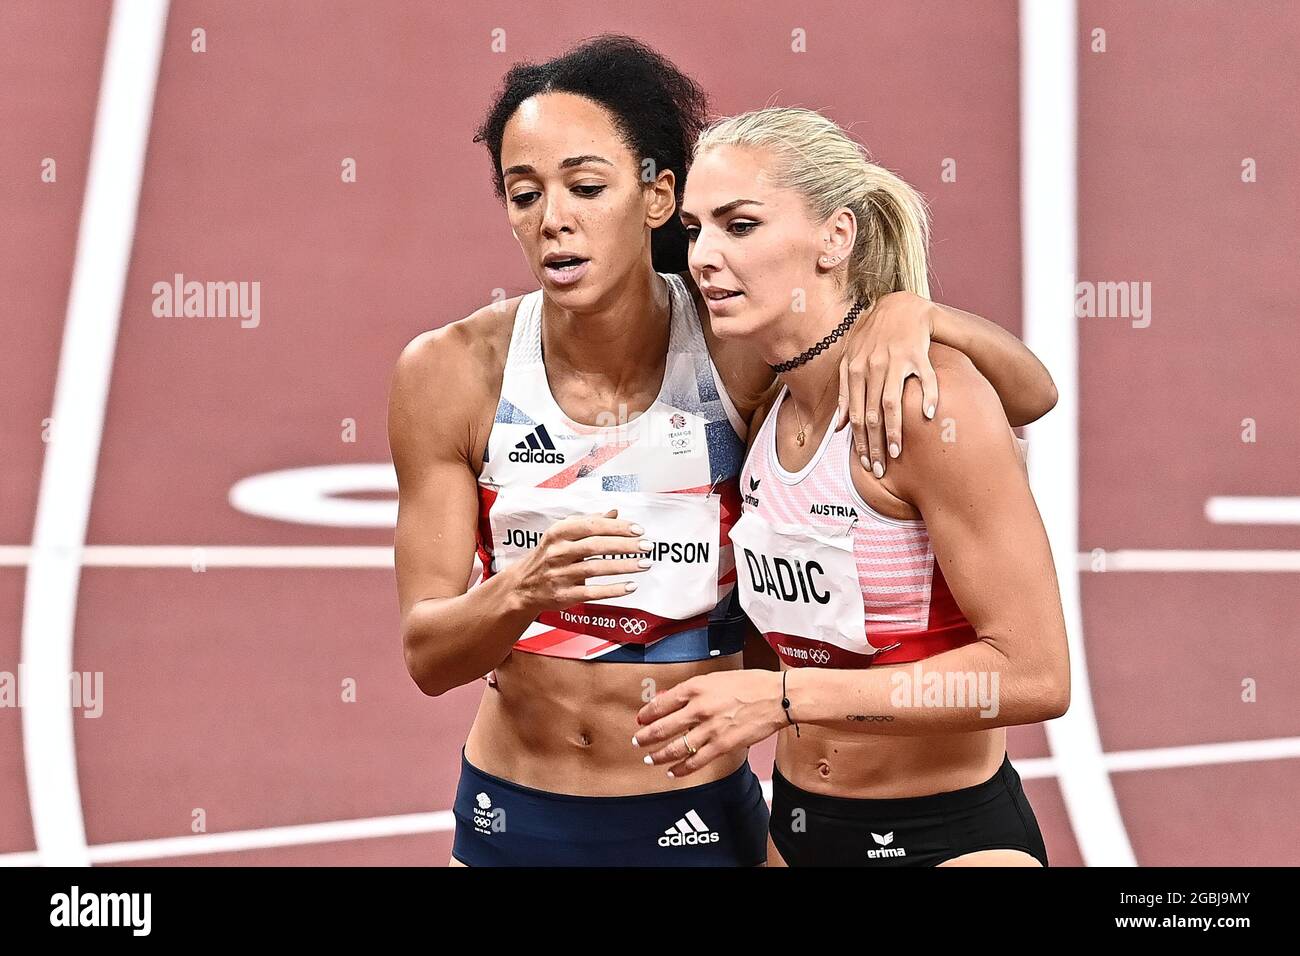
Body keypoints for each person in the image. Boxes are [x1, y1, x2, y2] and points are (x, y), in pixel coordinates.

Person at [387, 36, 1058, 866]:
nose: (553, 217)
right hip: (525, 814)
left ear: (655, 195)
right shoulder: (449, 373)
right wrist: (519, 591)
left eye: (586, 186)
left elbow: (1026, 397)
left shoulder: (740, 350)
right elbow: (427, 656)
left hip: (708, 820)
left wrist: (911, 311)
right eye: (524, 195)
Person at [633, 106, 1069, 867]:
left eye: (741, 225)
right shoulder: (765, 403)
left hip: (948, 839)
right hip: (797, 828)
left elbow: (1035, 676)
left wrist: (787, 698)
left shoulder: (926, 405)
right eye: (696, 230)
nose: (702, 256)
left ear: (836, 238)